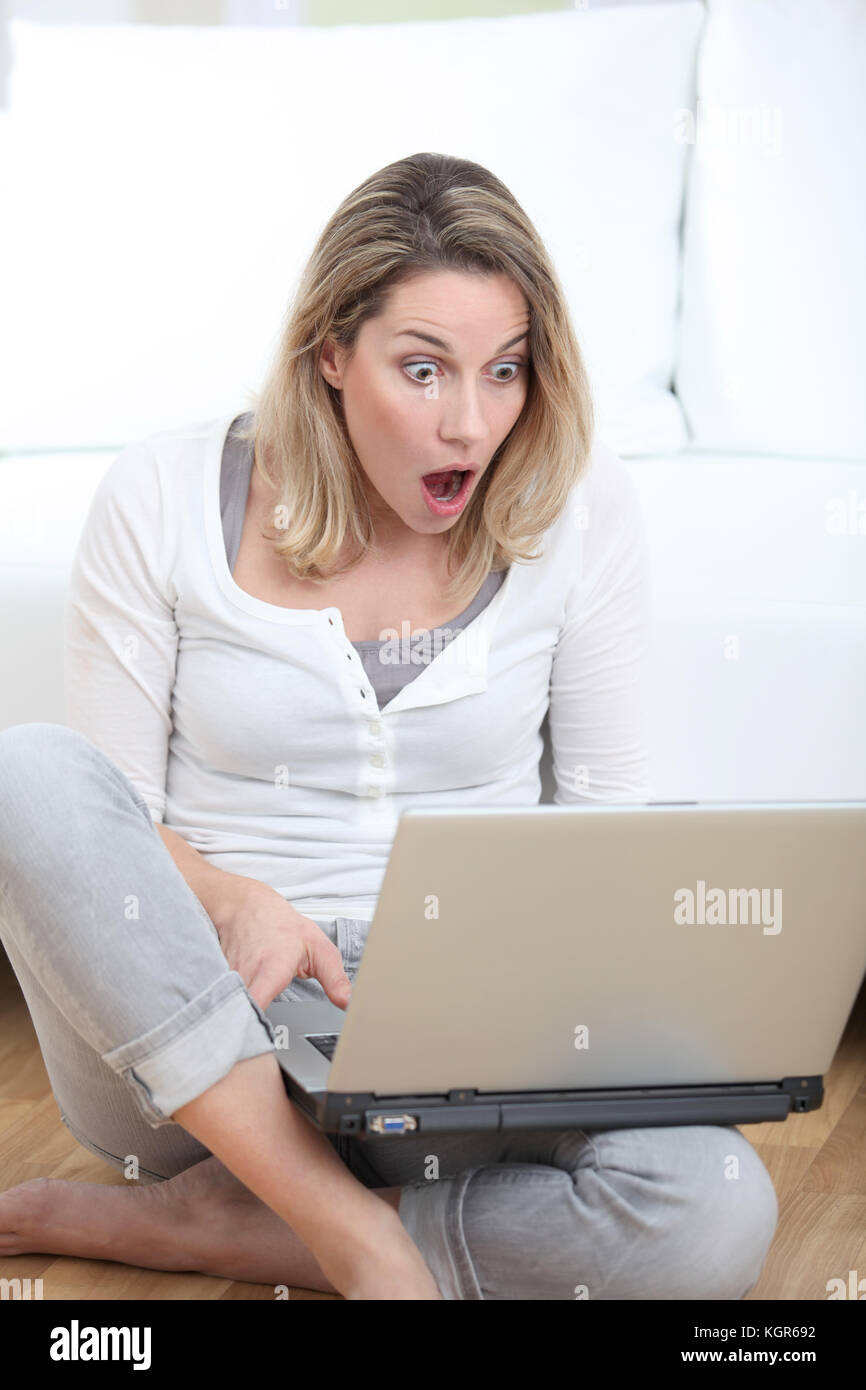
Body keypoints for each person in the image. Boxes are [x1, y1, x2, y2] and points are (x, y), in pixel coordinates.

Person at [0, 152, 778, 1300]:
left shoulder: (579, 507)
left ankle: (217, 1226)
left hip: (450, 1041)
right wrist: (227, 898)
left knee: (710, 1209)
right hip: (189, 1031)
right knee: (24, 770)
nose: (469, 423)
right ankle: (349, 1233)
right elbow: (101, 818)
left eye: (503, 371)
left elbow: (601, 834)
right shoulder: (162, 495)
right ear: (328, 351)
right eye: (422, 370)